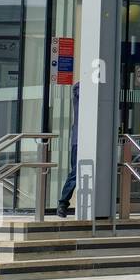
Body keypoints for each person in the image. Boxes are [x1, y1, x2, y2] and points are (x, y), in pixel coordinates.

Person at [56, 81, 80, 218]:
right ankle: (63, 203)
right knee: (76, 172)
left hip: (98, 141)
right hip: (79, 140)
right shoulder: (79, 87)